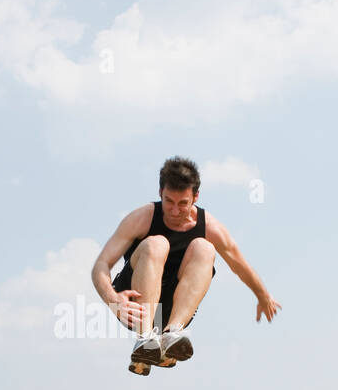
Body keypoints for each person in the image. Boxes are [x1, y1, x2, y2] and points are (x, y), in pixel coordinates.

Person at [91, 156, 281, 373]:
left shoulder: (209, 226)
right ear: (160, 193)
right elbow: (101, 265)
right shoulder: (142, 218)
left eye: (183, 203)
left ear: (195, 197)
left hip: (171, 308)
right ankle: (146, 340)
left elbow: (239, 265)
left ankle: (172, 333)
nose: (174, 211)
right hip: (135, 304)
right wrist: (113, 300)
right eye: (168, 201)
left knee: (204, 247)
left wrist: (263, 295)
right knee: (157, 244)